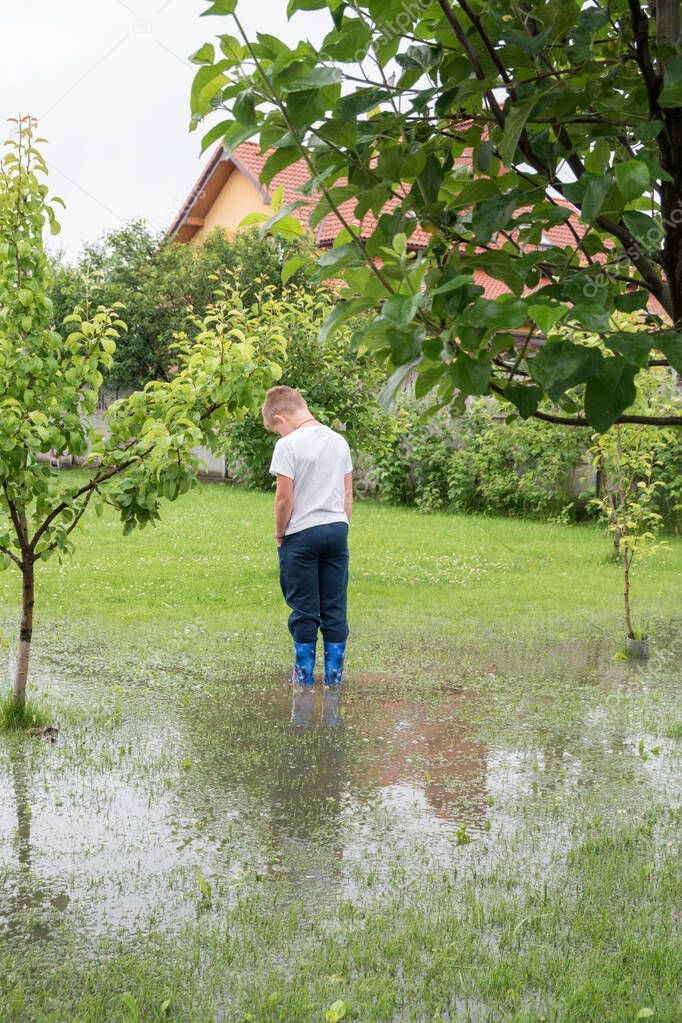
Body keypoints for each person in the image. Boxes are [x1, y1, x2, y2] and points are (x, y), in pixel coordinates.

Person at [262, 385, 353, 688]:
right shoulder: (339, 442)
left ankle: (303, 681)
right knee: (334, 607)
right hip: (337, 530)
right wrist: (341, 529)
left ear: (280, 418)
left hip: (301, 534)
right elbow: (348, 494)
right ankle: (334, 679)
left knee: (304, 609)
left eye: (277, 430)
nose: (280, 436)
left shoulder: (288, 446)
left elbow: (284, 499)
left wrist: (279, 535)